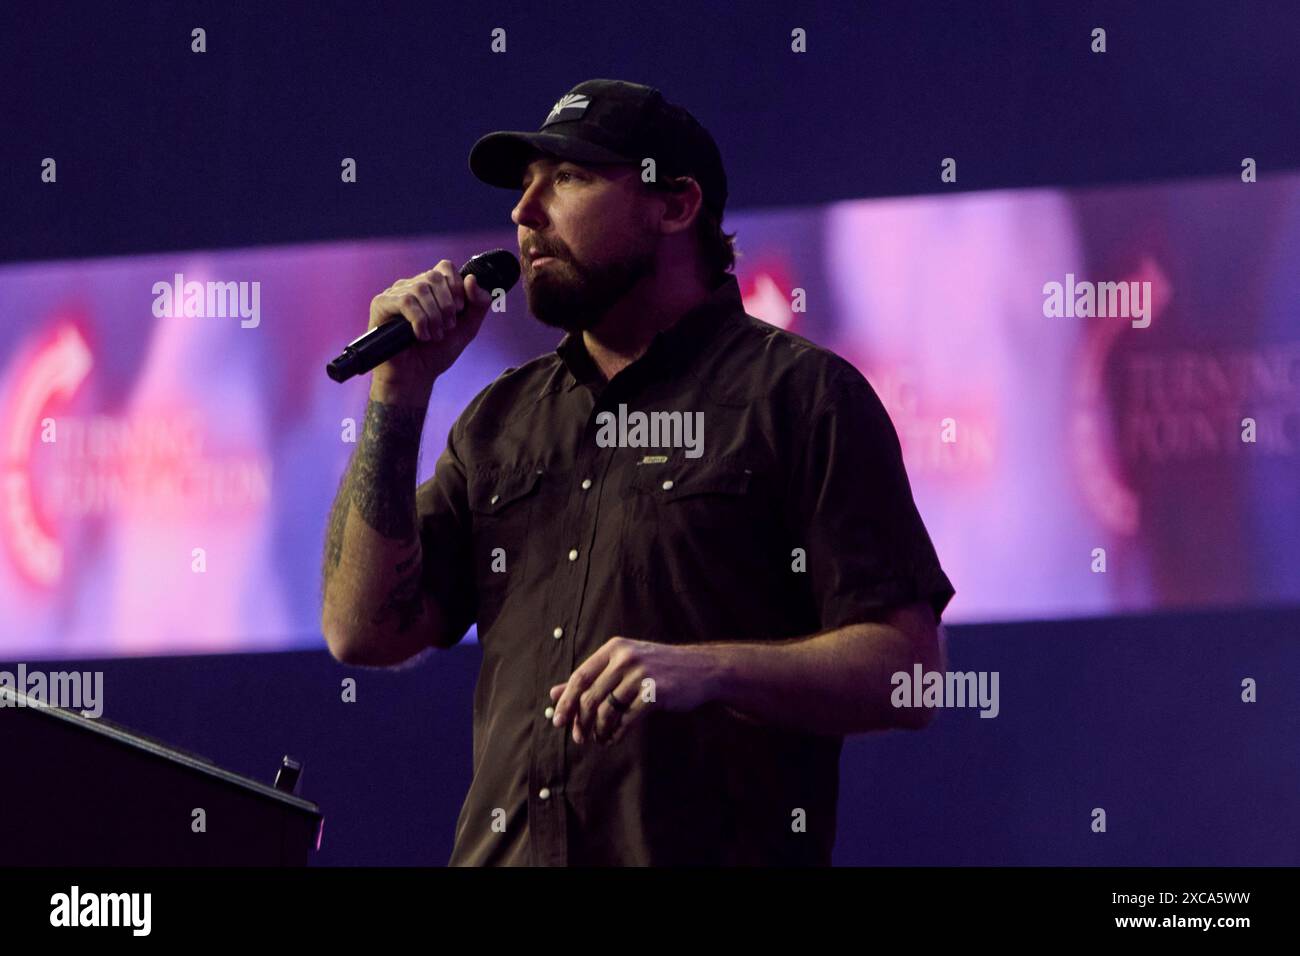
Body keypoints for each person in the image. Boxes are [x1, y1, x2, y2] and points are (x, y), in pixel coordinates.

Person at [320, 78, 955, 866]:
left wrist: (709, 668)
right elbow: (362, 629)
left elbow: (911, 676)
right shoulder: (499, 421)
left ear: (676, 205)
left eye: (571, 178)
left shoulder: (801, 397)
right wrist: (401, 390)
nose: (526, 213)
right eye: (525, 188)